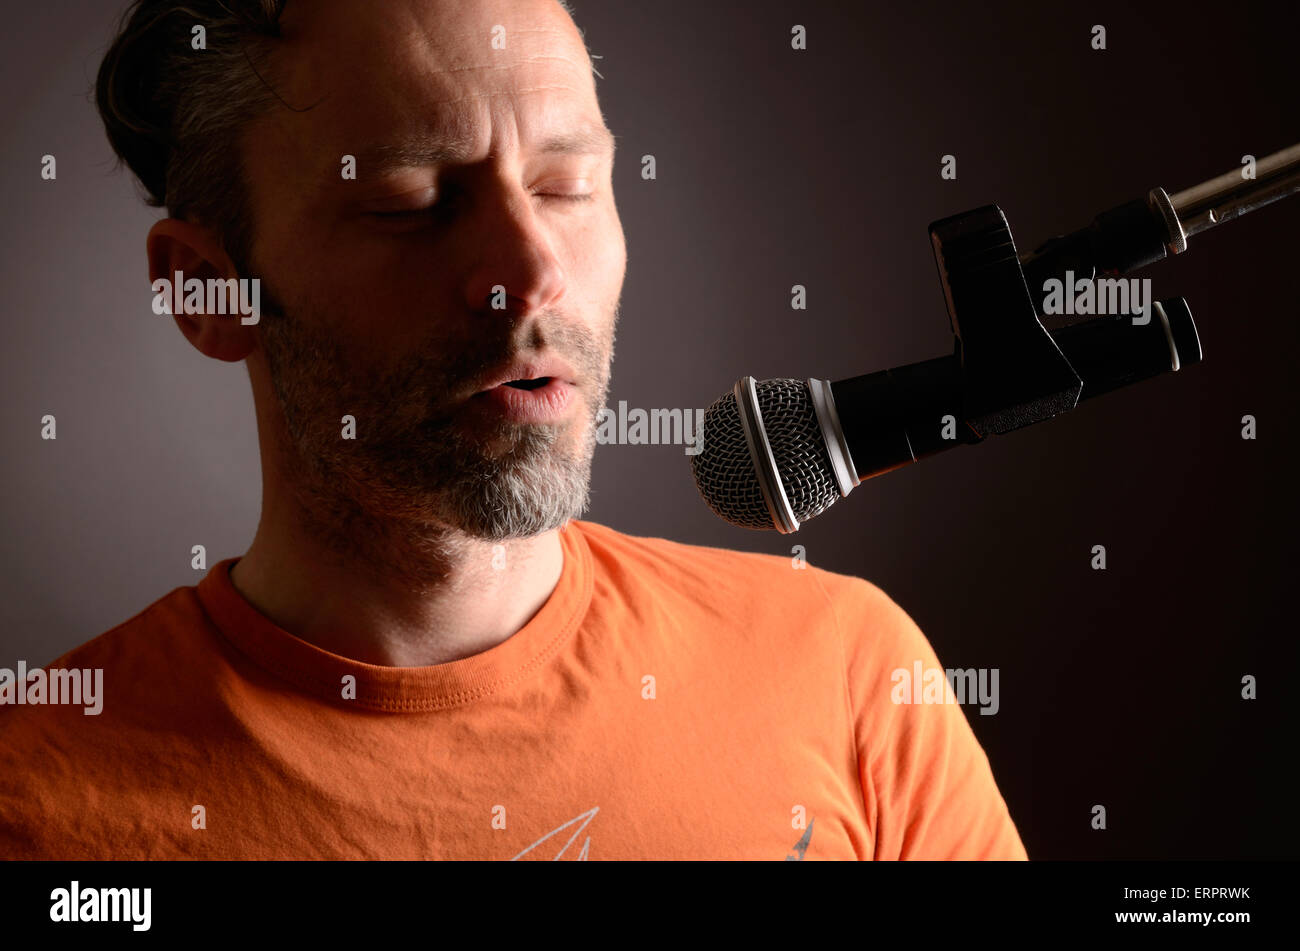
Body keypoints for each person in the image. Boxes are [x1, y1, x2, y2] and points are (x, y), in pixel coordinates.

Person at [0, 0, 1026, 860]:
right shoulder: (38, 801)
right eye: (411, 204)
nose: (534, 273)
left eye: (564, 186)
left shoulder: (844, 670)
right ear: (208, 292)